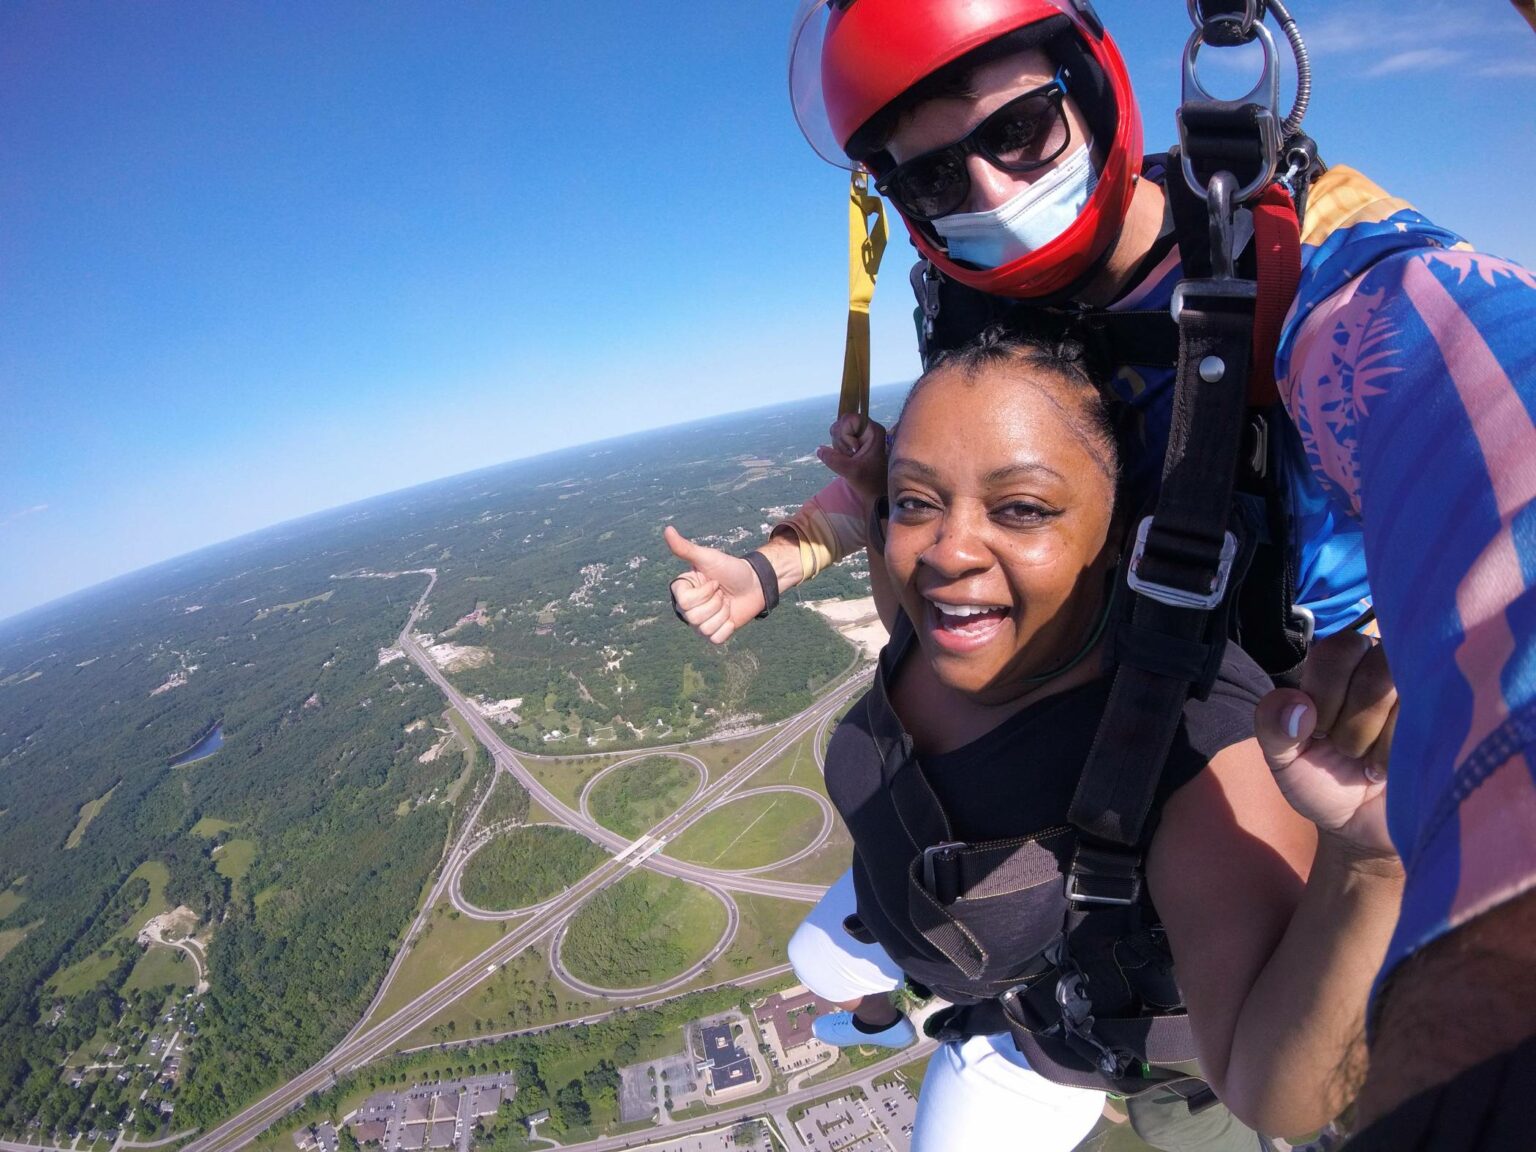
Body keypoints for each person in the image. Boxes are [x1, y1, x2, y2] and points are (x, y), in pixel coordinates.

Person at [668, 2, 1536, 1141]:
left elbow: (1491, 427)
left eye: (1019, 129)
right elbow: (937, 478)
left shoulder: (1331, 295)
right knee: (835, 948)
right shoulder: (978, 298)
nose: (989, 192)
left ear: (1092, 85)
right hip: (1034, 752)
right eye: (935, 178)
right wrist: (776, 563)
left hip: (1219, 768)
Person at [678, 331, 1403, 1149]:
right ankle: (883, 1015)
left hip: (1041, 1031)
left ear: (1119, 533)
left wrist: (1369, 864)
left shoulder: (1193, 745)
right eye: (919, 503)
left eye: (1021, 508)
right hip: (917, 912)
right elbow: (896, 604)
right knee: (815, 962)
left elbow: (1273, 1089)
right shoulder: (942, 624)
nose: (949, 552)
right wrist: (868, 493)